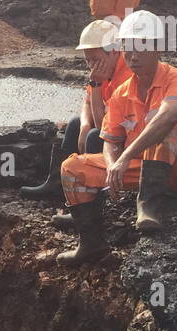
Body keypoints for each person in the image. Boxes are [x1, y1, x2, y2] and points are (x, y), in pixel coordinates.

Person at [56, 11, 177, 265]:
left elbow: (168, 117)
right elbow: (110, 139)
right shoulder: (123, 92)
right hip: (149, 167)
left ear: (158, 48)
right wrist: (113, 165)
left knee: (167, 126)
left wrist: (125, 156)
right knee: (73, 168)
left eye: (142, 47)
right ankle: (90, 245)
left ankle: (148, 207)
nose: (134, 55)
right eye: (128, 48)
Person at [20, 19, 125, 199]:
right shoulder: (105, 67)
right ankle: (57, 182)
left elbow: (103, 128)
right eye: (87, 60)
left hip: (126, 141)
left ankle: (90, 197)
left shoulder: (125, 76)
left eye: (95, 60)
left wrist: (97, 84)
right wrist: (84, 125)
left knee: (94, 136)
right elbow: (87, 102)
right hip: (112, 130)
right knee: (76, 123)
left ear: (114, 52)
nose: (91, 65)